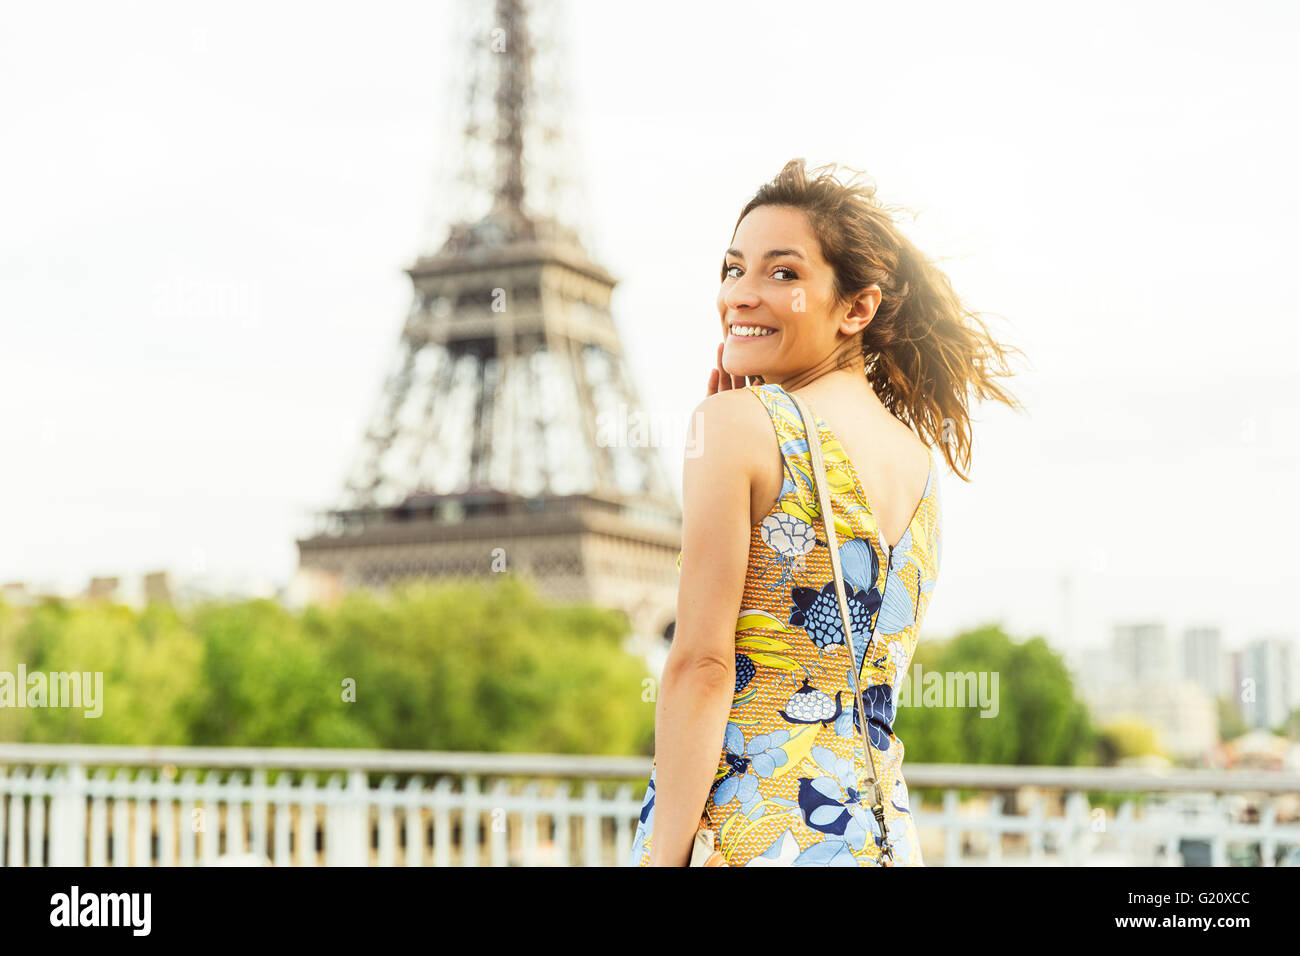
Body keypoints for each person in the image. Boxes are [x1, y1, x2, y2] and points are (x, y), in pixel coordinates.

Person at [628, 158, 1025, 867]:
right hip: (876, 837)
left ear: (855, 309)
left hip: (753, 831)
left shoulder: (732, 425)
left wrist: (664, 860)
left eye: (783, 275)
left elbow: (703, 666)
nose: (741, 296)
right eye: (732, 269)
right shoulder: (915, 462)